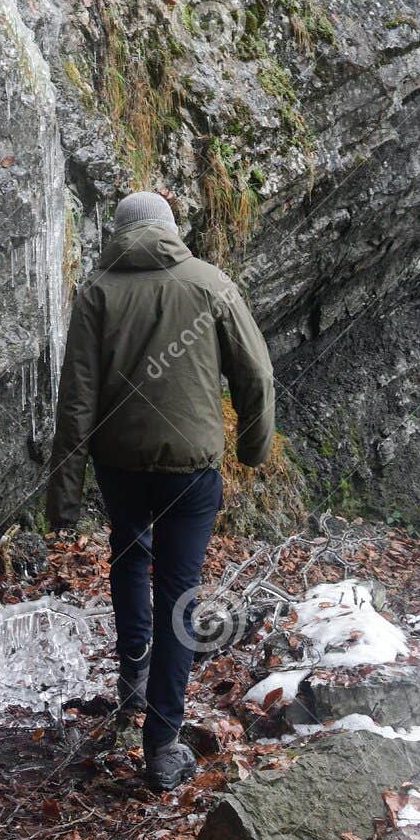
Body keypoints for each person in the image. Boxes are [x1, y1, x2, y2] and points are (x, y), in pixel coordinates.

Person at [45, 191, 275, 793]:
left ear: (118, 233)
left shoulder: (97, 292)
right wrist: (252, 448)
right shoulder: (209, 283)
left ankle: (134, 678)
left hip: (120, 465)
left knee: (129, 554)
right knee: (180, 592)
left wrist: (64, 495)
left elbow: (77, 400)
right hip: (191, 470)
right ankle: (163, 744)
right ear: (170, 230)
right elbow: (257, 373)